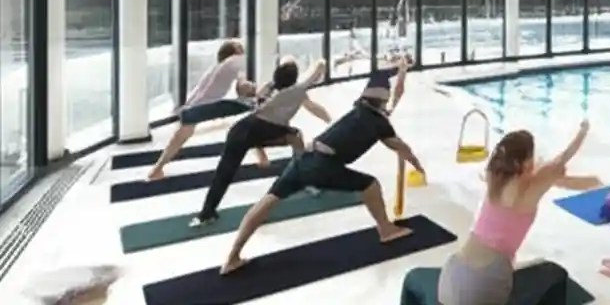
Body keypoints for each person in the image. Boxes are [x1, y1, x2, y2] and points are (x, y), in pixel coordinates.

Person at [220, 68, 429, 275]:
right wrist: (418, 166)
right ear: (382, 103)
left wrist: (400, 73)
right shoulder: (379, 123)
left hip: (303, 159)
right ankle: (386, 230)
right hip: (322, 165)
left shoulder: (357, 113)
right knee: (370, 185)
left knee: (266, 203)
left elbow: (393, 121)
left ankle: (232, 258)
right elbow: (402, 148)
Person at [436, 122, 590, 304]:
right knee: (554, 274)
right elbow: (564, 157)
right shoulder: (530, 190)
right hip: (485, 282)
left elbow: (549, 171)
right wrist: (583, 131)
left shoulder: (494, 178)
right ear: (526, 164)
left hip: (451, 276)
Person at [191, 57, 332, 227]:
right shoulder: (296, 91)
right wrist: (321, 62)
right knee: (295, 137)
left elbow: (261, 106)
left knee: (225, 172)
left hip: (243, 130)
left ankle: (207, 212)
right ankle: (305, 179)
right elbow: (316, 72)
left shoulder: (270, 88)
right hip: (264, 130)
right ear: (294, 78)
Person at [147, 40, 259, 181]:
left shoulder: (218, 66)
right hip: (204, 106)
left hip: (192, 106)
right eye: (240, 47)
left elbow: (202, 89)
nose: (243, 49)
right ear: (235, 51)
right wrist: (255, 88)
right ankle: (156, 170)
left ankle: (157, 169)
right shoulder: (238, 61)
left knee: (180, 137)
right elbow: (242, 84)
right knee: (255, 111)